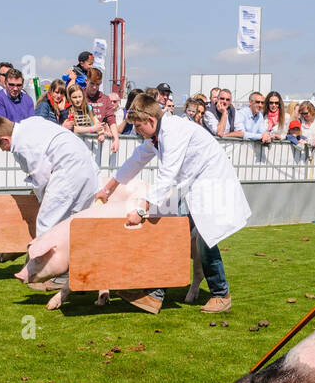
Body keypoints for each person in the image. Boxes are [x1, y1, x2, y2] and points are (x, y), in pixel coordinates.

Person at [95, 93, 251, 314]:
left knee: (203, 240)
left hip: (211, 184)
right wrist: (107, 189)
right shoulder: (156, 135)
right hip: (195, 185)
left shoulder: (173, 132)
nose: (138, 132)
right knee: (174, 235)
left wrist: (142, 208)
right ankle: (153, 293)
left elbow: (167, 174)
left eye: (139, 127)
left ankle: (220, 294)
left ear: (150, 120)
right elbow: (136, 160)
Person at [0, 113, 99, 269]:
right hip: (87, 166)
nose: (4, 150)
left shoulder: (23, 145)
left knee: (46, 223)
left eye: (1, 147)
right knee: (74, 222)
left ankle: (49, 271)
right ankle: (78, 267)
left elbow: (42, 177)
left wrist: (40, 199)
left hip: (68, 169)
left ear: (5, 140)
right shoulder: (30, 122)